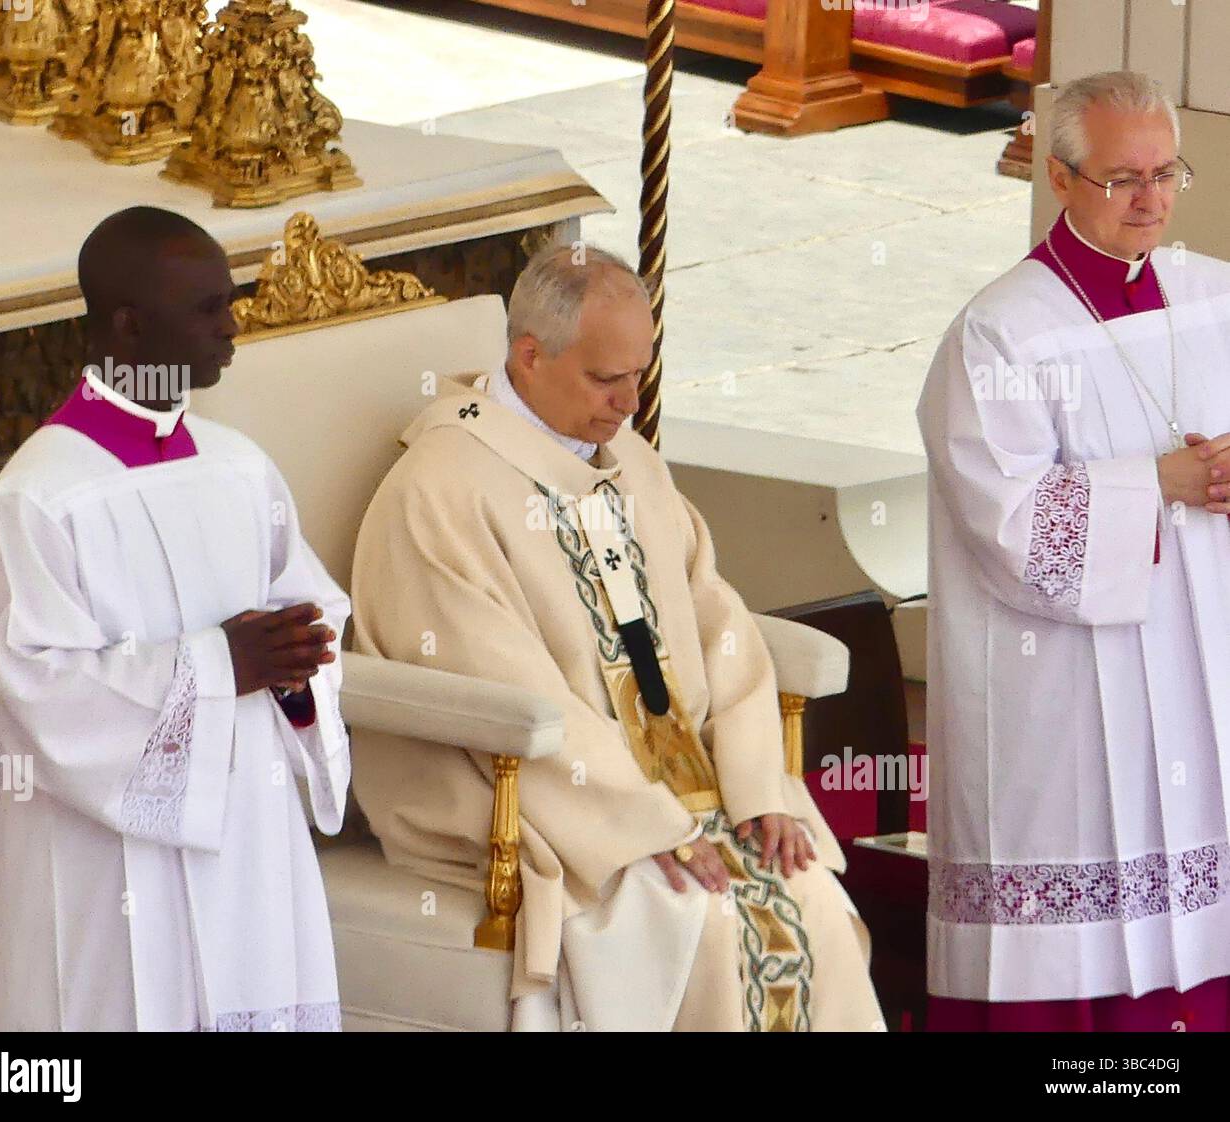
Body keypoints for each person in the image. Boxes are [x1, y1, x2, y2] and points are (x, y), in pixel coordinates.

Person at [352, 243, 882, 1031]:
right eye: (607, 379)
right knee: (707, 924)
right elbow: (513, 700)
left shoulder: (629, 463)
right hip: (549, 810)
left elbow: (717, 621)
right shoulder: (441, 490)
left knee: (811, 899)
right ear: (528, 356)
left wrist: (756, 790)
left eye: (640, 372)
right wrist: (643, 826)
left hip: (684, 792)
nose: (630, 402)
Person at [0, 206, 351, 1031]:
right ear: (129, 326)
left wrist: (300, 660)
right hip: (103, 866)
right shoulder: (39, 497)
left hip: (246, 837)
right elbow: (30, 689)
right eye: (208, 308)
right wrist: (216, 668)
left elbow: (312, 610)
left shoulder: (241, 467)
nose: (233, 325)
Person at [918, 71, 1230, 1031]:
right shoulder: (1001, 332)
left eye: (1164, 174)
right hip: (1061, 688)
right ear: (1059, 178)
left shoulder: (1216, 296)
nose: (1149, 200)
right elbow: (1004, 523)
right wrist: (1157, 484)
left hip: (1202, 653)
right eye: (1119, 179)